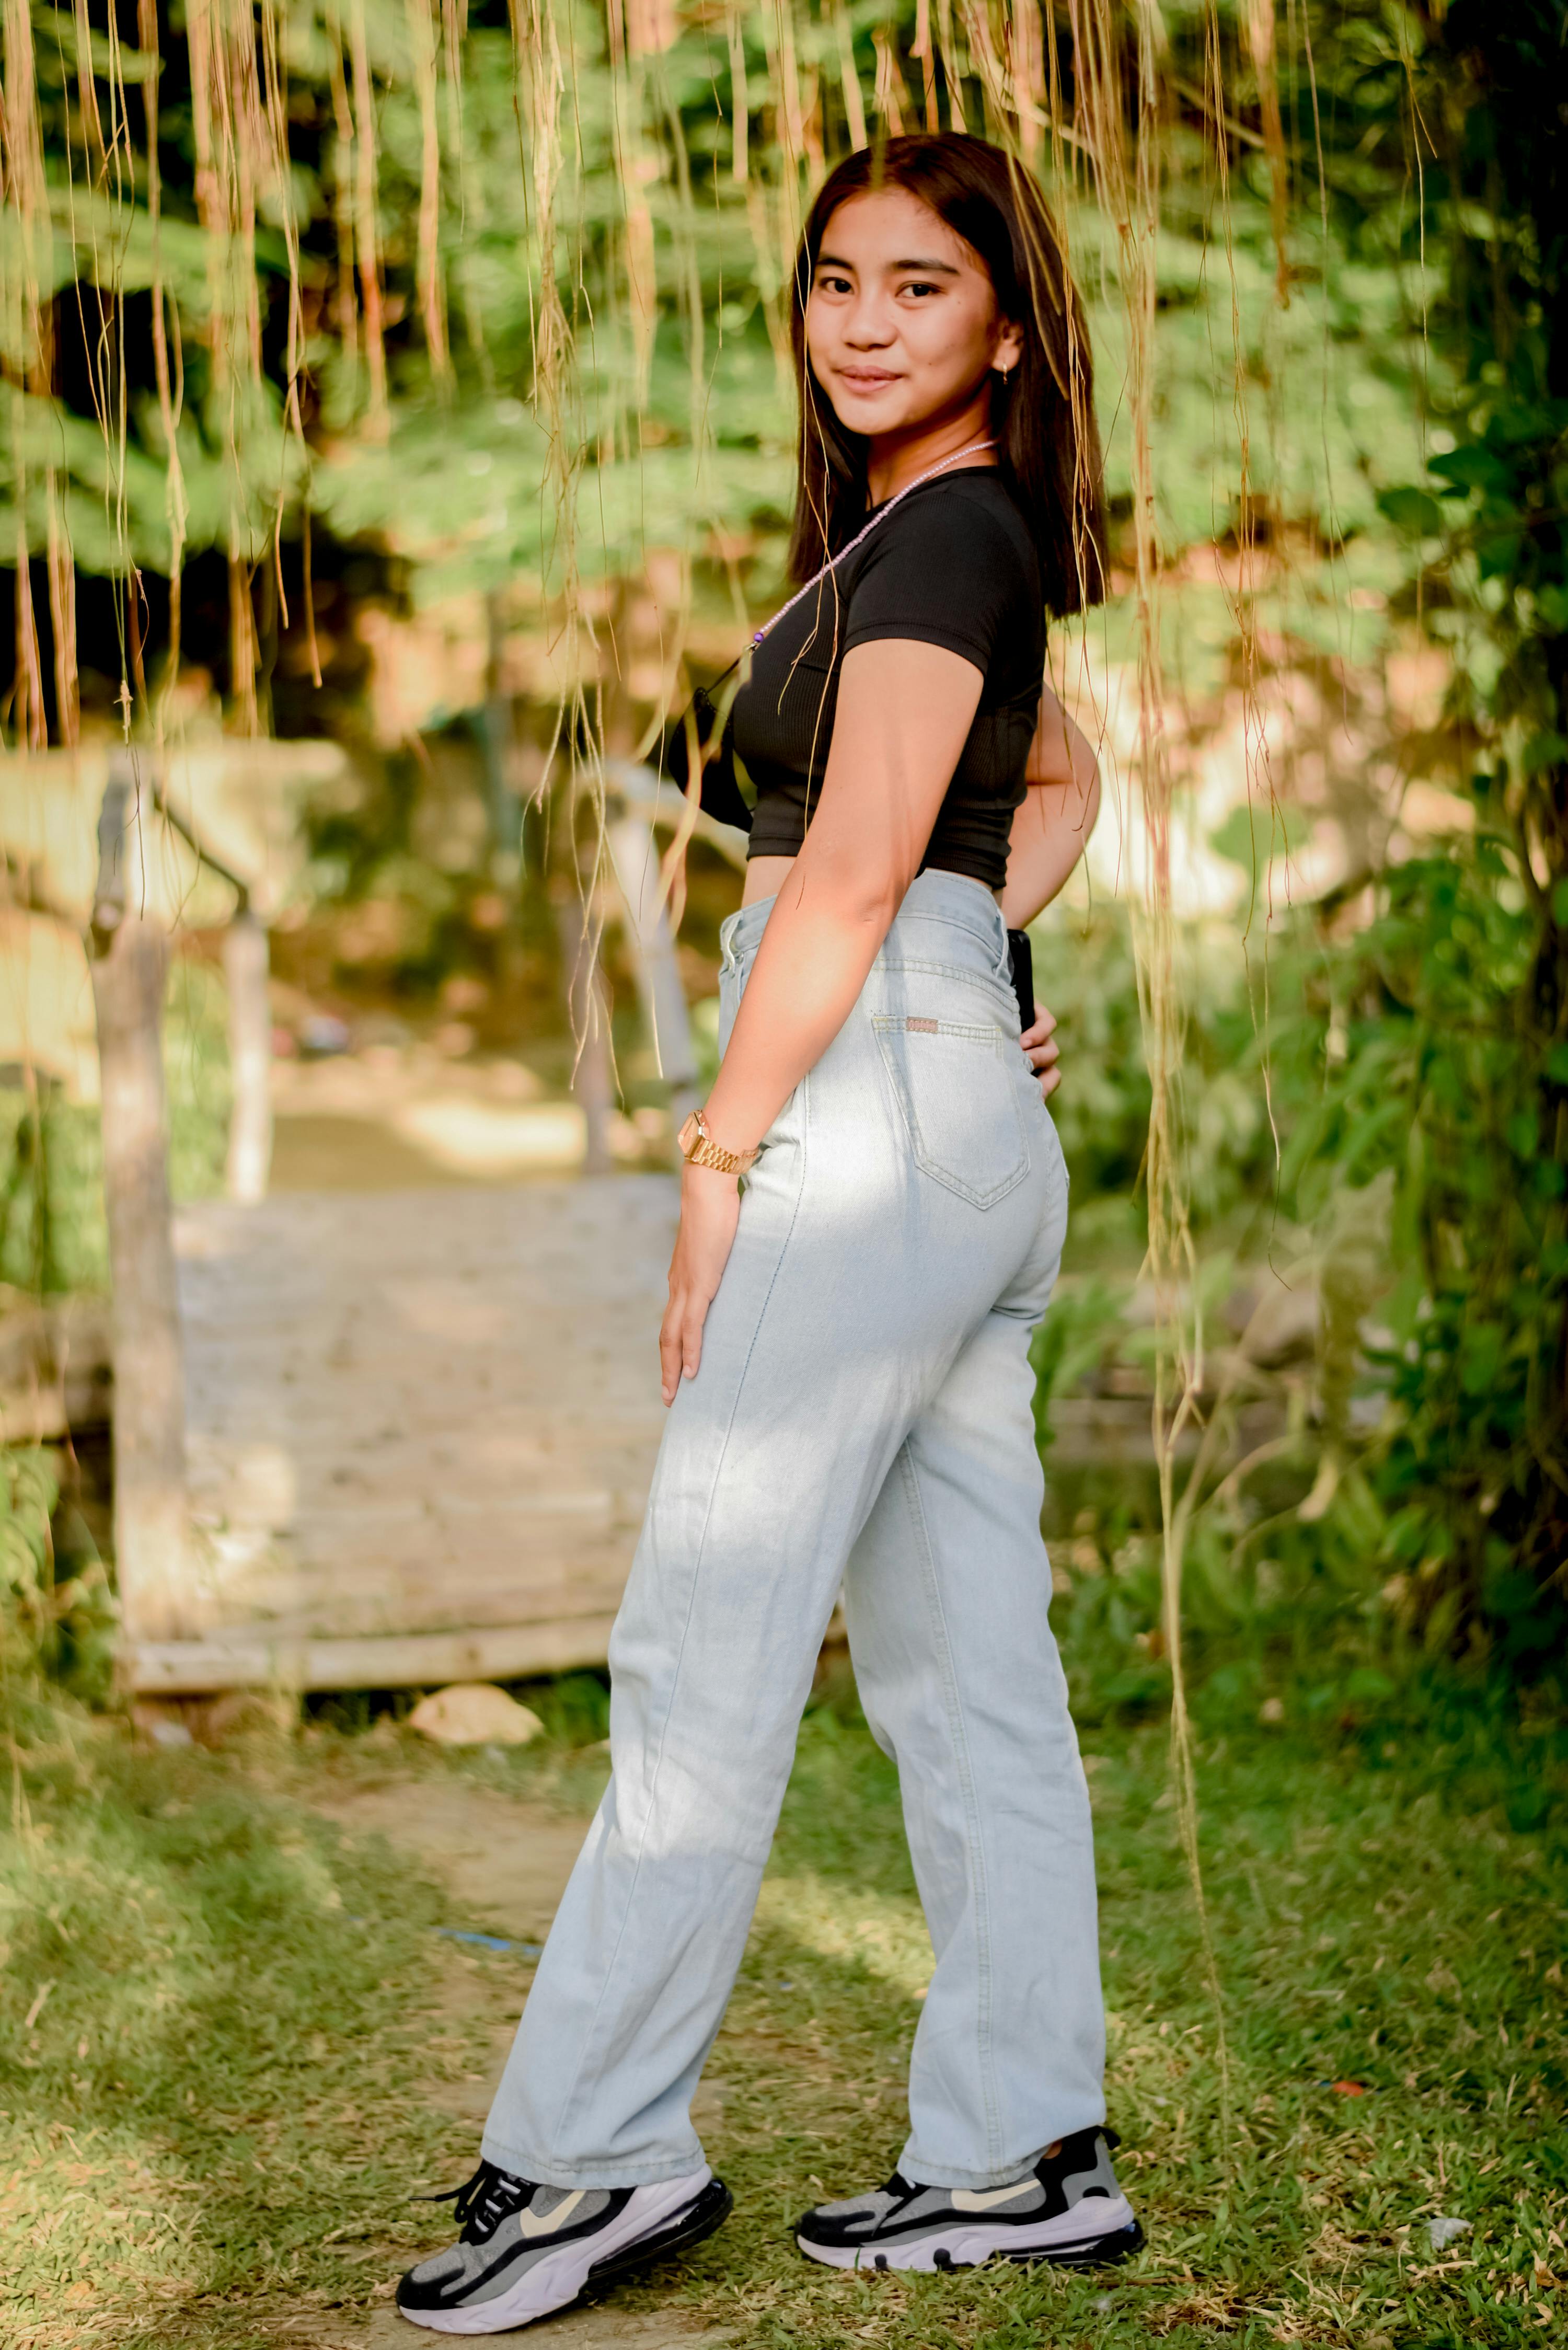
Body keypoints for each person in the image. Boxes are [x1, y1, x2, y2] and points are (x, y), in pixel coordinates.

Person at [395, 131, 1140, 2336]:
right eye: (836, 279)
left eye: (920, 285)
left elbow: (844, 873)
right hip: (929, 1105)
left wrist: (724, 1155)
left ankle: (596, 2153)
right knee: (964, 1661)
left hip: (855, 1121)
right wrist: (968, 967)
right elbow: (1058, 788)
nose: (863, 319)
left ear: (1007, 319)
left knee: (706, 1635)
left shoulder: (950, 538)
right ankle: (1019, 2147)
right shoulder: (944, 538)